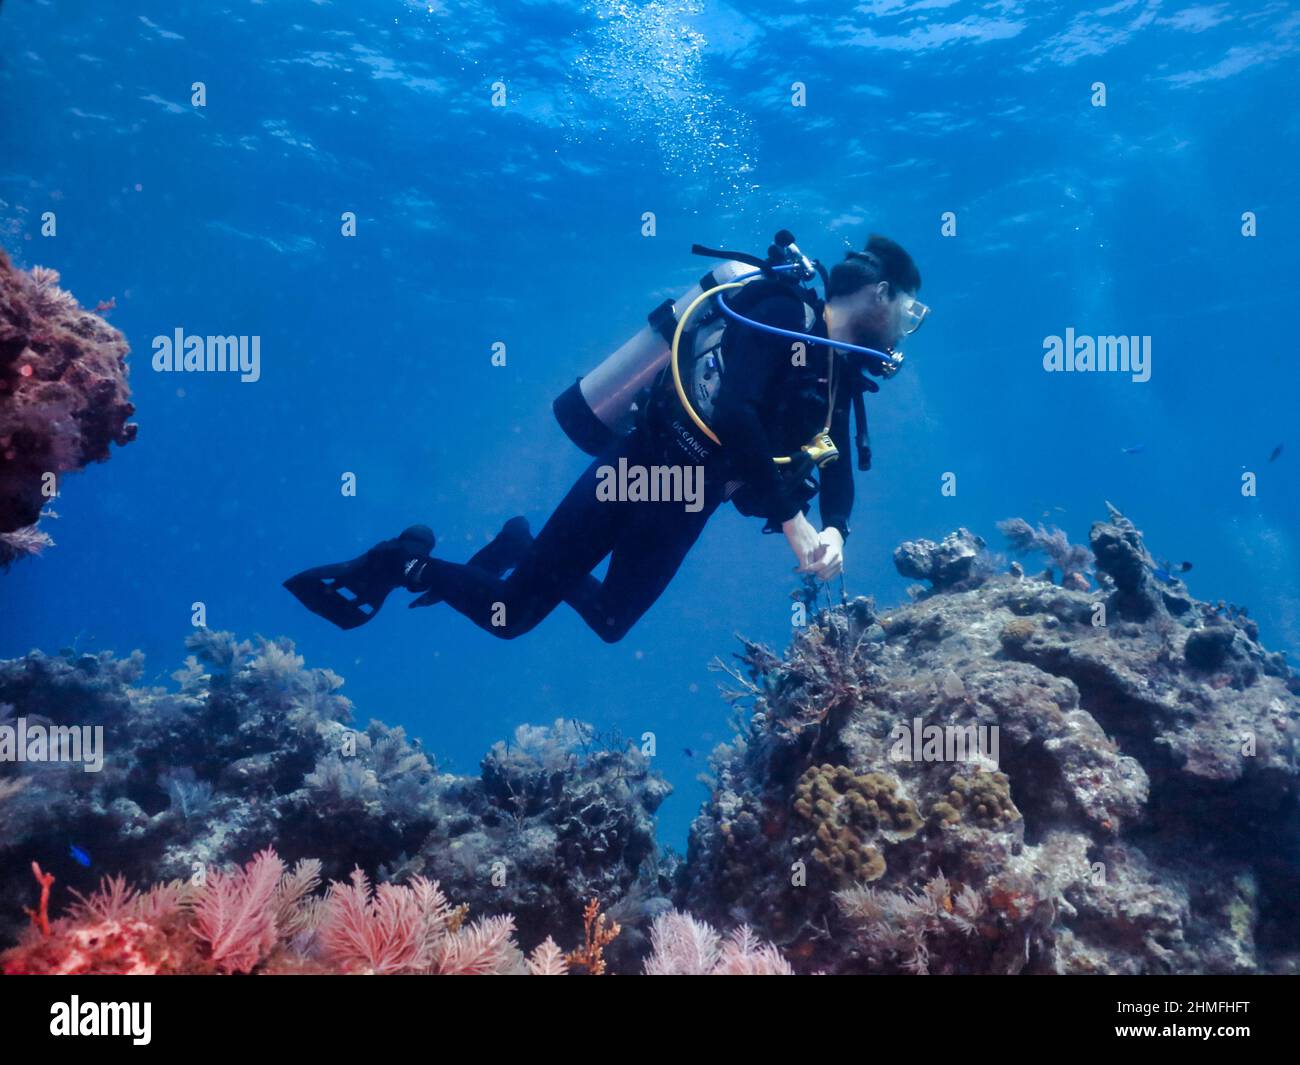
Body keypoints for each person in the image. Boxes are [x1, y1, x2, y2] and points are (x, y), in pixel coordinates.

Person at [284, 234, 926, 642]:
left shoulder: (835, 364)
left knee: (613, 622)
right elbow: (734, 413)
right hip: (640, 470)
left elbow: (835, 458)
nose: (906, 325)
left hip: (688, 504)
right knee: (511, 615)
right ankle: (404, 561)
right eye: (909, 310)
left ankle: (521, 544)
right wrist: (793, 522)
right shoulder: (785, 314)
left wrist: (837, 527)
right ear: (881, 291)